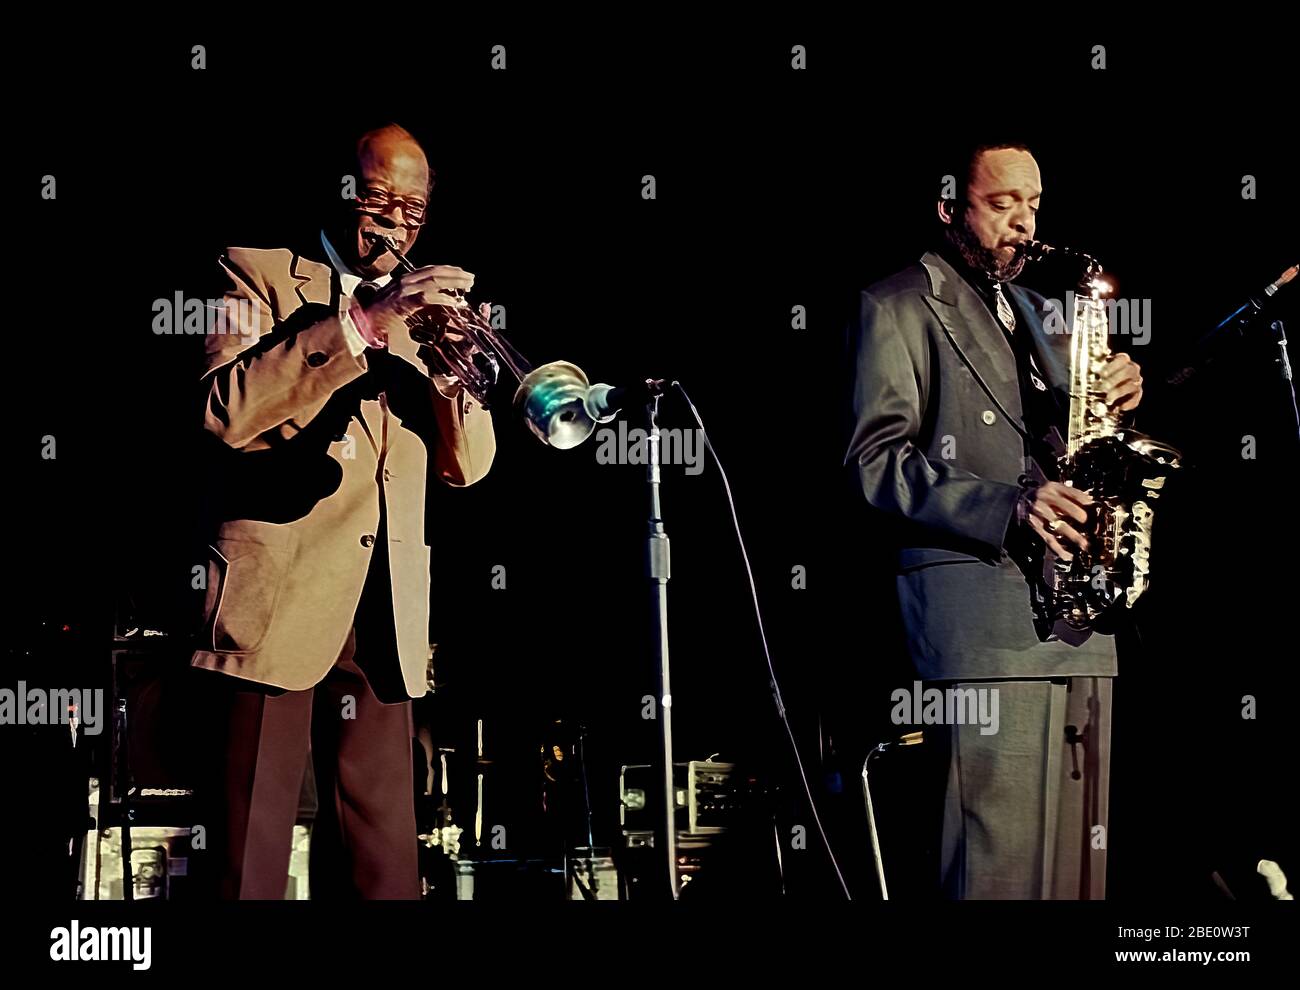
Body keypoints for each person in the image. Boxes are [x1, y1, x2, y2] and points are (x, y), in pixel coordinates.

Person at [192, 123, 496, 898]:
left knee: (385, 868)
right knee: (249, 863)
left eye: (414, 208)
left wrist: (453, 368)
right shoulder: (253, 271)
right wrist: (360, 324)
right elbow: (225, 411)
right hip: (277, 599)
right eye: (378, 197)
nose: (396, 220)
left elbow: (471, 467)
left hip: (386, 610)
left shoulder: (429, 308)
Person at [844, 141, 1143, 899]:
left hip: (1078, 620)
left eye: (1033, 204)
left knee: (1079, 876)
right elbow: (874, 461)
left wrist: (1116, 396)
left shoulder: (1044, 312)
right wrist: (1006, 504)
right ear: (949, 208)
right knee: (996, 875)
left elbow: (1076, 448)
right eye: (1001, 203)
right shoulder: (897, 302)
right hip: (981, 627)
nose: (1023, 223)